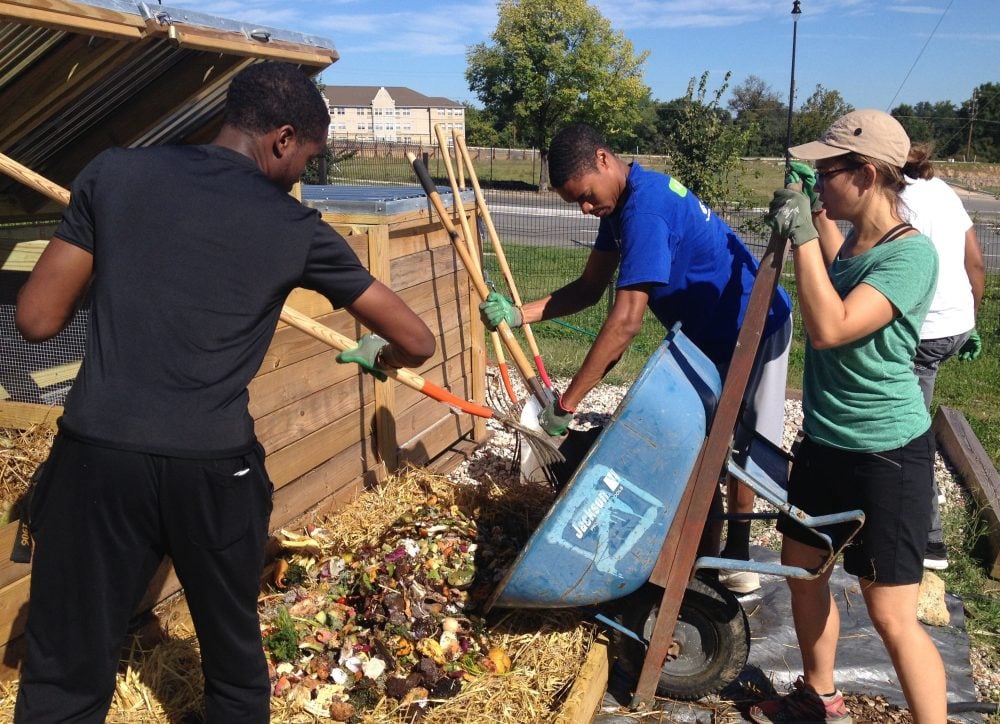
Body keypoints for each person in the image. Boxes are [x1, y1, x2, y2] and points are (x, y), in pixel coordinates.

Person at [13, 61, 435, 723]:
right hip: (212, 469)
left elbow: (36, 321)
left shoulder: (116, 174)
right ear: (283, 138)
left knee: (64, 673)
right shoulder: (294, 229)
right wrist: (375, 353)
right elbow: (416, 340)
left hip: (98, 458)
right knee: (234, 666)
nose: (301, 175)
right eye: (308, 159)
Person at [479, 123, 793, 594]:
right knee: (702, 448)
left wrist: (567, 405)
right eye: (576, 204)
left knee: (740, 450)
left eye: (585, 196)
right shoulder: (620, 204)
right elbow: (589, 289)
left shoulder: (646, 211)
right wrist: (519, 313)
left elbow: (626, 323)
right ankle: (694, 559)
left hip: (753, 326)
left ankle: (736, 559)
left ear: (604, 159)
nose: (586, 209)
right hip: (705, 336)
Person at [752, 109, 945, 723]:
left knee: (889, 614)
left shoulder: (912, 257)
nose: (817, 178)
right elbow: (834, 274)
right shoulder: (859, 241)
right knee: (802, 574)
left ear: (864, 174)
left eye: (824, 171)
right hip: (826, 443)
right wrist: (811, 216)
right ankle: (821, 696)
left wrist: (805, 238)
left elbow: (831, 326)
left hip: (885, 455)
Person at [901, 144, 985, 571]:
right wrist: (971, 321)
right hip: (954, 324)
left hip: (923, 329)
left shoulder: (897, 198)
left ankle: (929, 542)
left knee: (908, 434)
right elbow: (976, 263)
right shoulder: (943, 191)